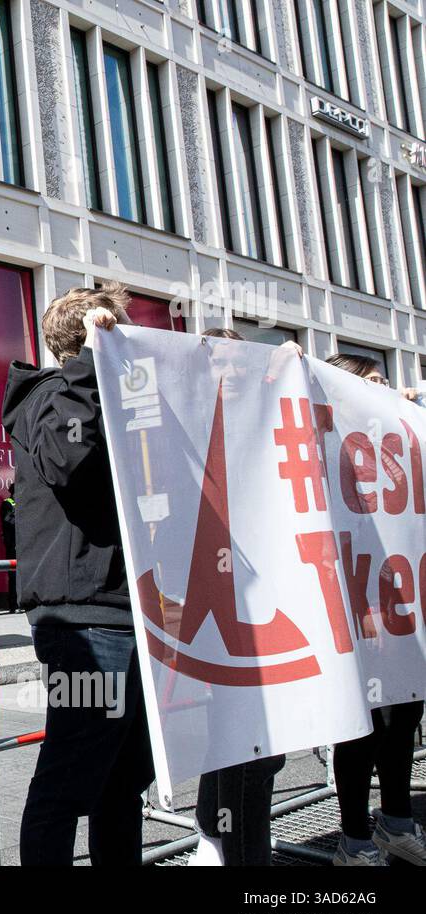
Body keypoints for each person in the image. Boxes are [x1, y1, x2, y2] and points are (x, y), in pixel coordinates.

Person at [3, 281, 155, 865]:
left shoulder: (94, 397)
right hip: (84, 618)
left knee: (122, 778)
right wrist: (94, 356)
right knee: (69, 779)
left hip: (123, 612)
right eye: (120, 329)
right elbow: (68, 460)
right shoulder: (52, 395)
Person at [186, 326, 290, 866]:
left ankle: (213, 834)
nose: (232, 374)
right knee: (249, 746)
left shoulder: (259, 417)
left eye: (241, 364)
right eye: (221, 365)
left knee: (252, 744)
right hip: (215, 607)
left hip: (266, 599)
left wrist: (294, 370)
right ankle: (239, 855)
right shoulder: (190, 423)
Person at [323, 352, 426, 866]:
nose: (386, 389)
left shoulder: (399, 439)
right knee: (360, 724)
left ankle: (397, 821)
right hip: (354, 601)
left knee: (403, 714)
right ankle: (355, 837)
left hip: (398, 596)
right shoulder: (325, 435)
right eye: (373, 383)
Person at [0, 483, 18, 613]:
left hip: (25, 545)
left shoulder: (24, 502)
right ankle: (13, 604)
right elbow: (8, 521)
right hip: (13, 544)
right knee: (14, 575)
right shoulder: (7, 504)